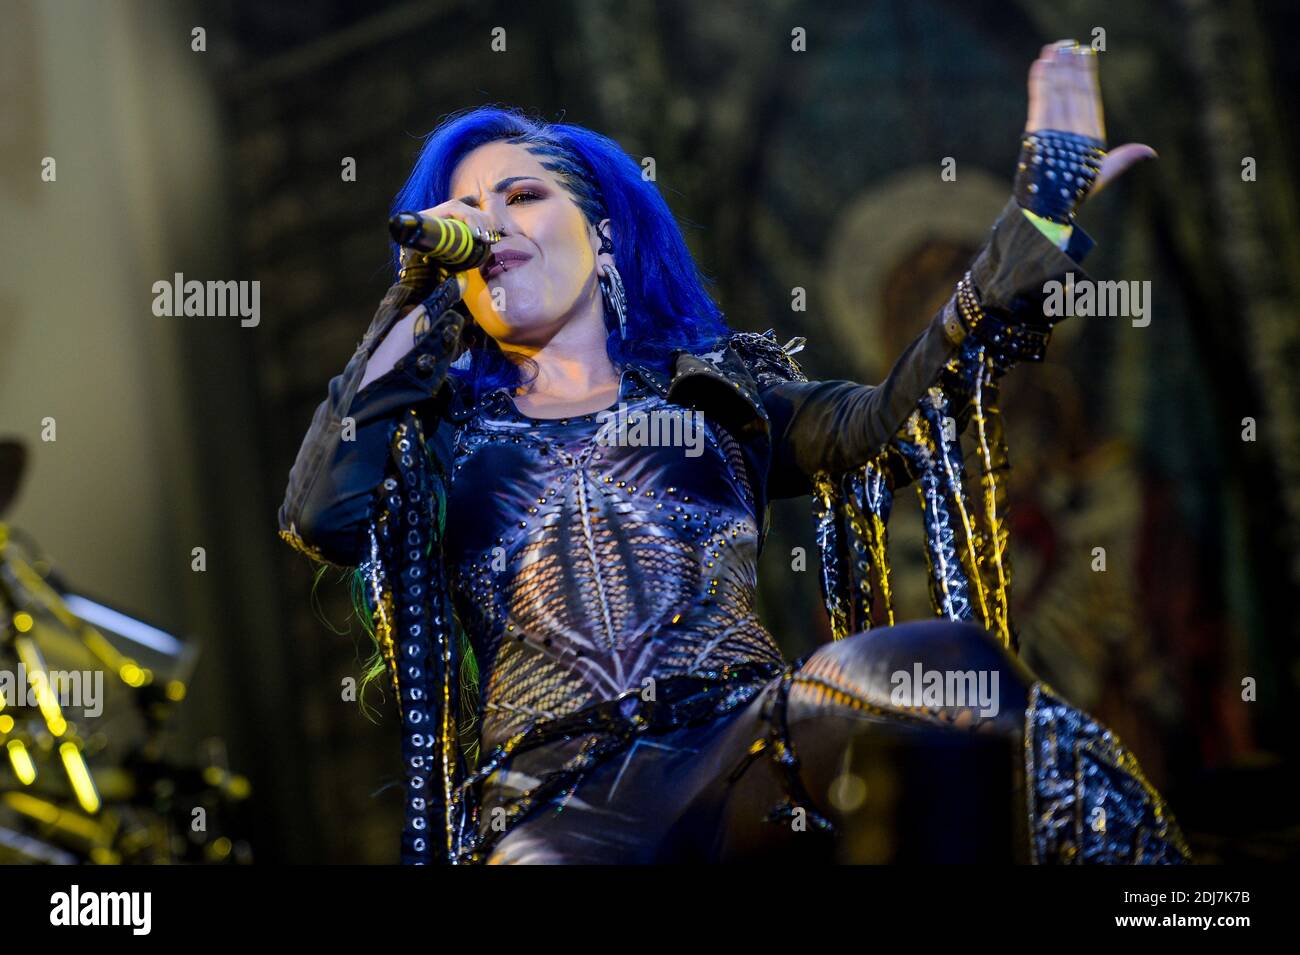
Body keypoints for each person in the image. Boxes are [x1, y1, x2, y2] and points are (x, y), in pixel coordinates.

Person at [278, 41, 1189, 864]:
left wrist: (1035, 223)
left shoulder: (722, 398)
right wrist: (416, 295)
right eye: (469, 211)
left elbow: (900, 419)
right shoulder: (433, 439)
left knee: (935, 663)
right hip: (553, 805)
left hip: (740, 747)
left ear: (601, 237)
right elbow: (324, 513)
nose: (494, 224)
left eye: (522, 196)